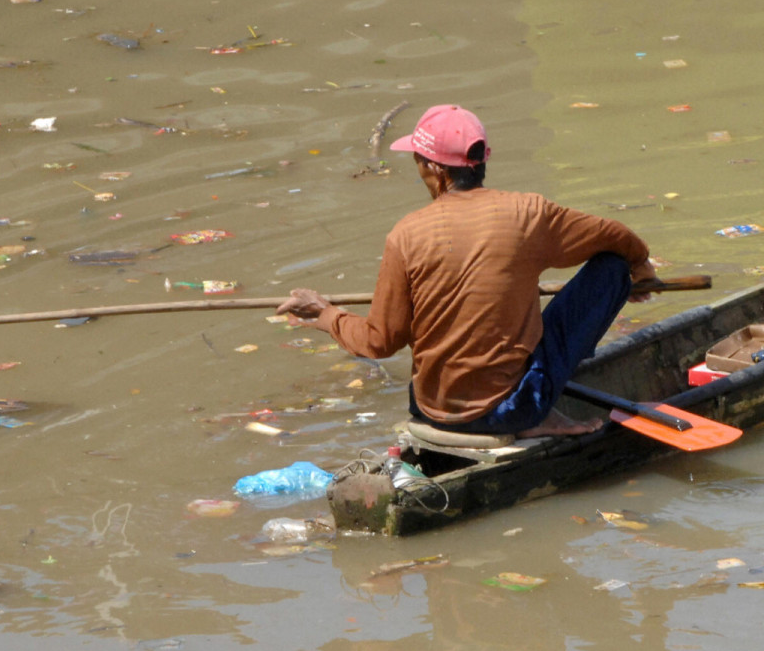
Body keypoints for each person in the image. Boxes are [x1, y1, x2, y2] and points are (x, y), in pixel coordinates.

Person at [278, 104, 654, 437]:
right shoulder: (530, 214)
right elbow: (617, 237)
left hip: (429, 409)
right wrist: (639, 269)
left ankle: (530, 403)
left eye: (418, 163)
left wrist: (327, 315)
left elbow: (379, 342)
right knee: (612, 268)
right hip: (512, 411)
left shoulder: (405, 234)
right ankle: (538, 410)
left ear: (434, 168)